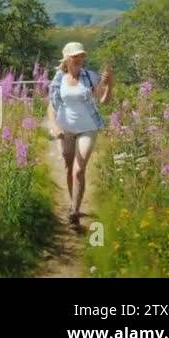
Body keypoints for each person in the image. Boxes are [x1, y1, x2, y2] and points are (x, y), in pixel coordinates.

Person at [47, 42, 114, 231]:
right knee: (68, 167)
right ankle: (72, 203)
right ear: (67, 58)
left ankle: (75, 212)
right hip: (65, 129)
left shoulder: (90, 76)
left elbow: (104, 101)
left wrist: (110, 85)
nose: (79, 59)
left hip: (88, 128)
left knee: (78, 170)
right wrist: (54, 126)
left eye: (82, 56)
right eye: (75, 56)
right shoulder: (58, 79)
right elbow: (52, 106)